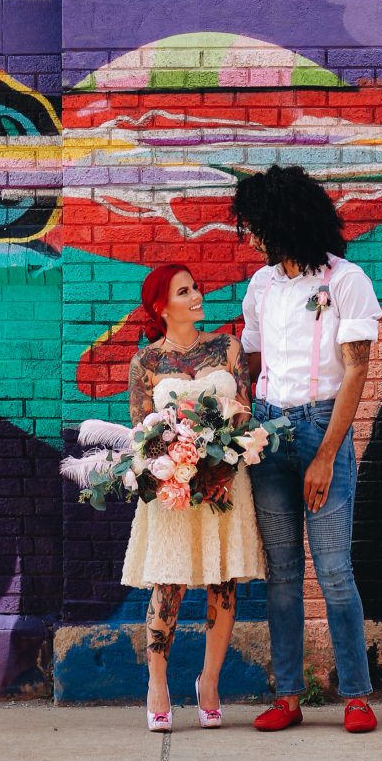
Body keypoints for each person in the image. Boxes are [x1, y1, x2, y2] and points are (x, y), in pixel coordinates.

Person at [233, 165, 382, 734]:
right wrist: (236, 419)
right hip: (268, 432)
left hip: (324, 429)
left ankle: (357, 696)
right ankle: (288, 695)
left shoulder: (346, 282)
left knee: (335, 569)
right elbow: (249, 361)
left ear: (283, 221)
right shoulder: (262, 286)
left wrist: (325, 456)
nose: (253, 236)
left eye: (257, 225)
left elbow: (357, 372)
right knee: (283, 573)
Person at [121, 263, 265, 731]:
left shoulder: (227, 348)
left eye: (196, 287)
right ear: (162, 306)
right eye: (185, 291)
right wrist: (179, 460)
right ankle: (158, 683)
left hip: (224, 481)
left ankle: (209, 681)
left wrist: (220, 464)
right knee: (169, 583)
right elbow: (144, 432)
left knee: (223, 582)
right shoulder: (145, 364)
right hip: (173, 487)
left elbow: (243, 412)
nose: (197, 295)